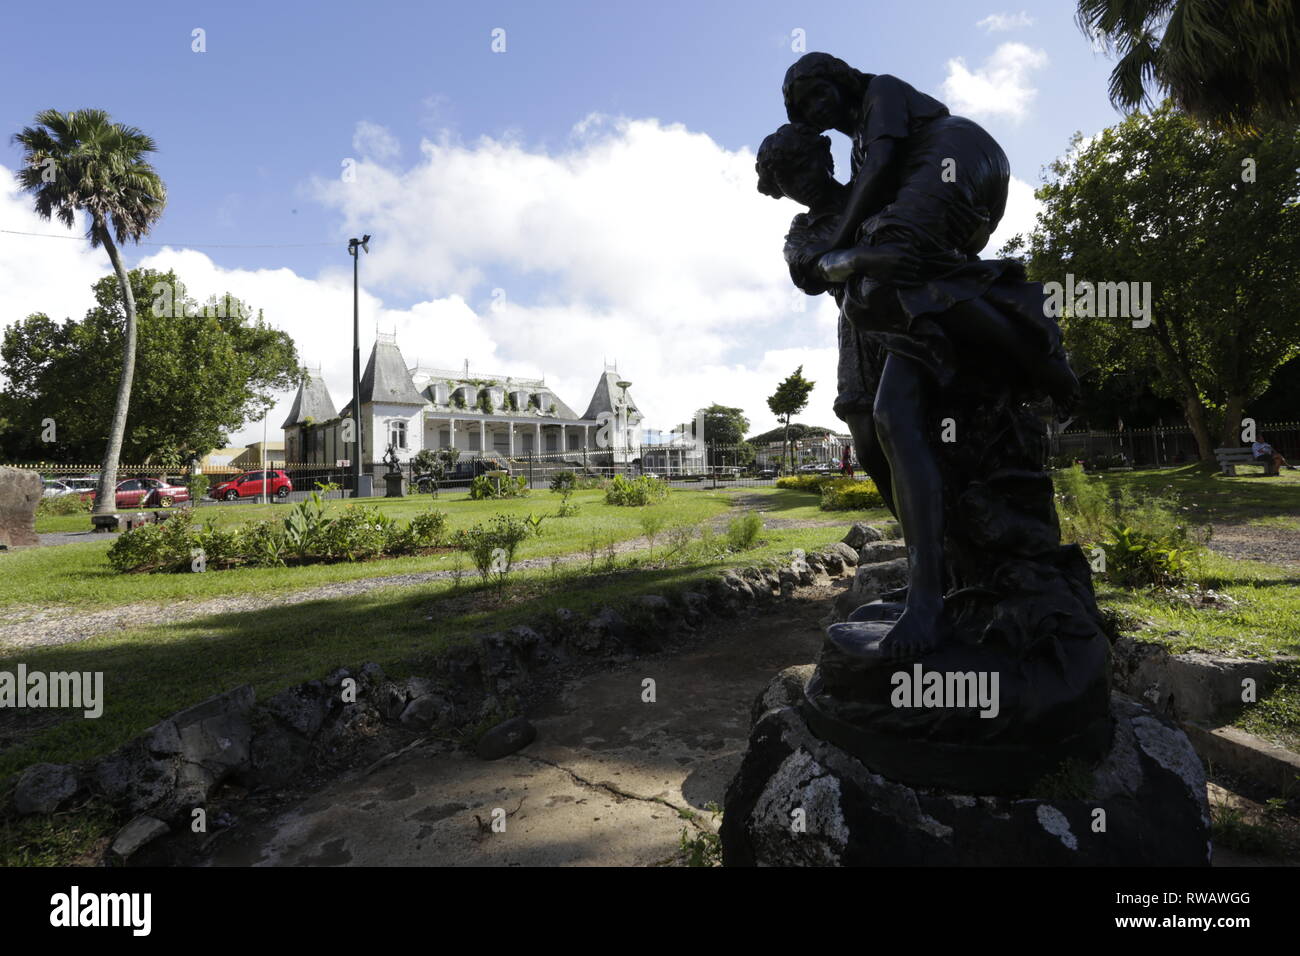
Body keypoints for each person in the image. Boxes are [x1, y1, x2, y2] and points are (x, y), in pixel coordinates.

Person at [780, 53, 1079, 659]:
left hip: (963, 164)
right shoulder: (834, 187)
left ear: (838, 80)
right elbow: (817, 270)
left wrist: (844, 251)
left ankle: (1041, 353)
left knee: (883, 272)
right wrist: (846, 256)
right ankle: (932, 593)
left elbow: (885, 180)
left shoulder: (882, 97)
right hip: (898, 329)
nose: (818, 118)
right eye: (804, 118)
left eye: (814, 101)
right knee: (890, 416)